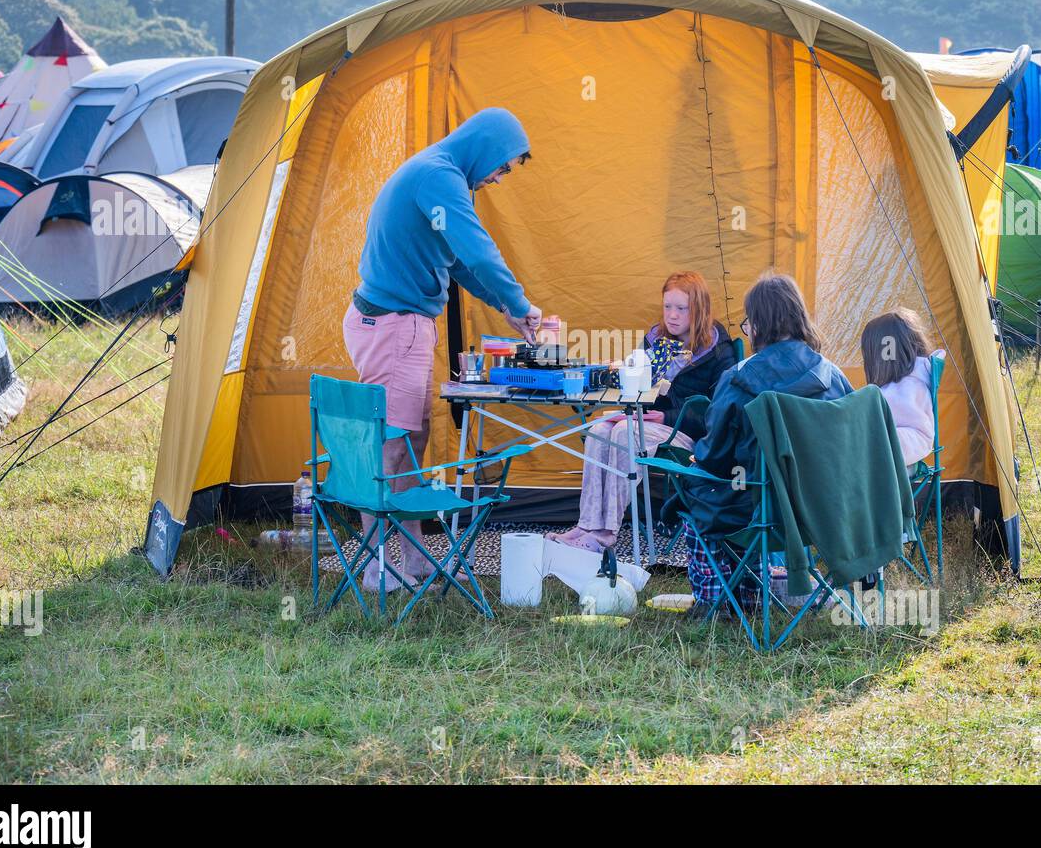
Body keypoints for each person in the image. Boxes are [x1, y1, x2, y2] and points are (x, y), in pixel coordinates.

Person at [343, 107, 543, 591]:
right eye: (503, 165)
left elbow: (457, 264)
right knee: (391, 448)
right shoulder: (439, 177)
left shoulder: (438, 174)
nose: (499, 177)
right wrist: (518, 299)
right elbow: (477, 250)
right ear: (487, 147)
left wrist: (507, 307)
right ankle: (379, 568)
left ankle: (412, 561)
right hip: (395, 326)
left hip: (396, 325)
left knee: (410, 445)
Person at [682, 272, 852, 612]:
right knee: (739, 489)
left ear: (757, 324)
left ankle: (716, 602)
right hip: (825, 512)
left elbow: (714, 456)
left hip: (761, 512)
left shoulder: (737, 379)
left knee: (700, 496)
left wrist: (694, 461)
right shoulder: (834, 377)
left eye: (748, 323)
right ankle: (751, 593)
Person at [548, 271, 738, 553]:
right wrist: (618, 375)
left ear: (699, 309)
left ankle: (604, 534)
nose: (672, 315)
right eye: (667, 306)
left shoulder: (717, 351)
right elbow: (639, 384)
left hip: (684, 433)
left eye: (681, 308)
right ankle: (586, 525)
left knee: (624, 432)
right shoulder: (656, 339)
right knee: (600, 431)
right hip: (644, 420)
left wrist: (667, 417)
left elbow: (719, 415)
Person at [860, 308, 940, 471]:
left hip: (893, 466)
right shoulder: (906, 385)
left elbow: (916, 434)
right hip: (890, 459)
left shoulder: (908, 388)